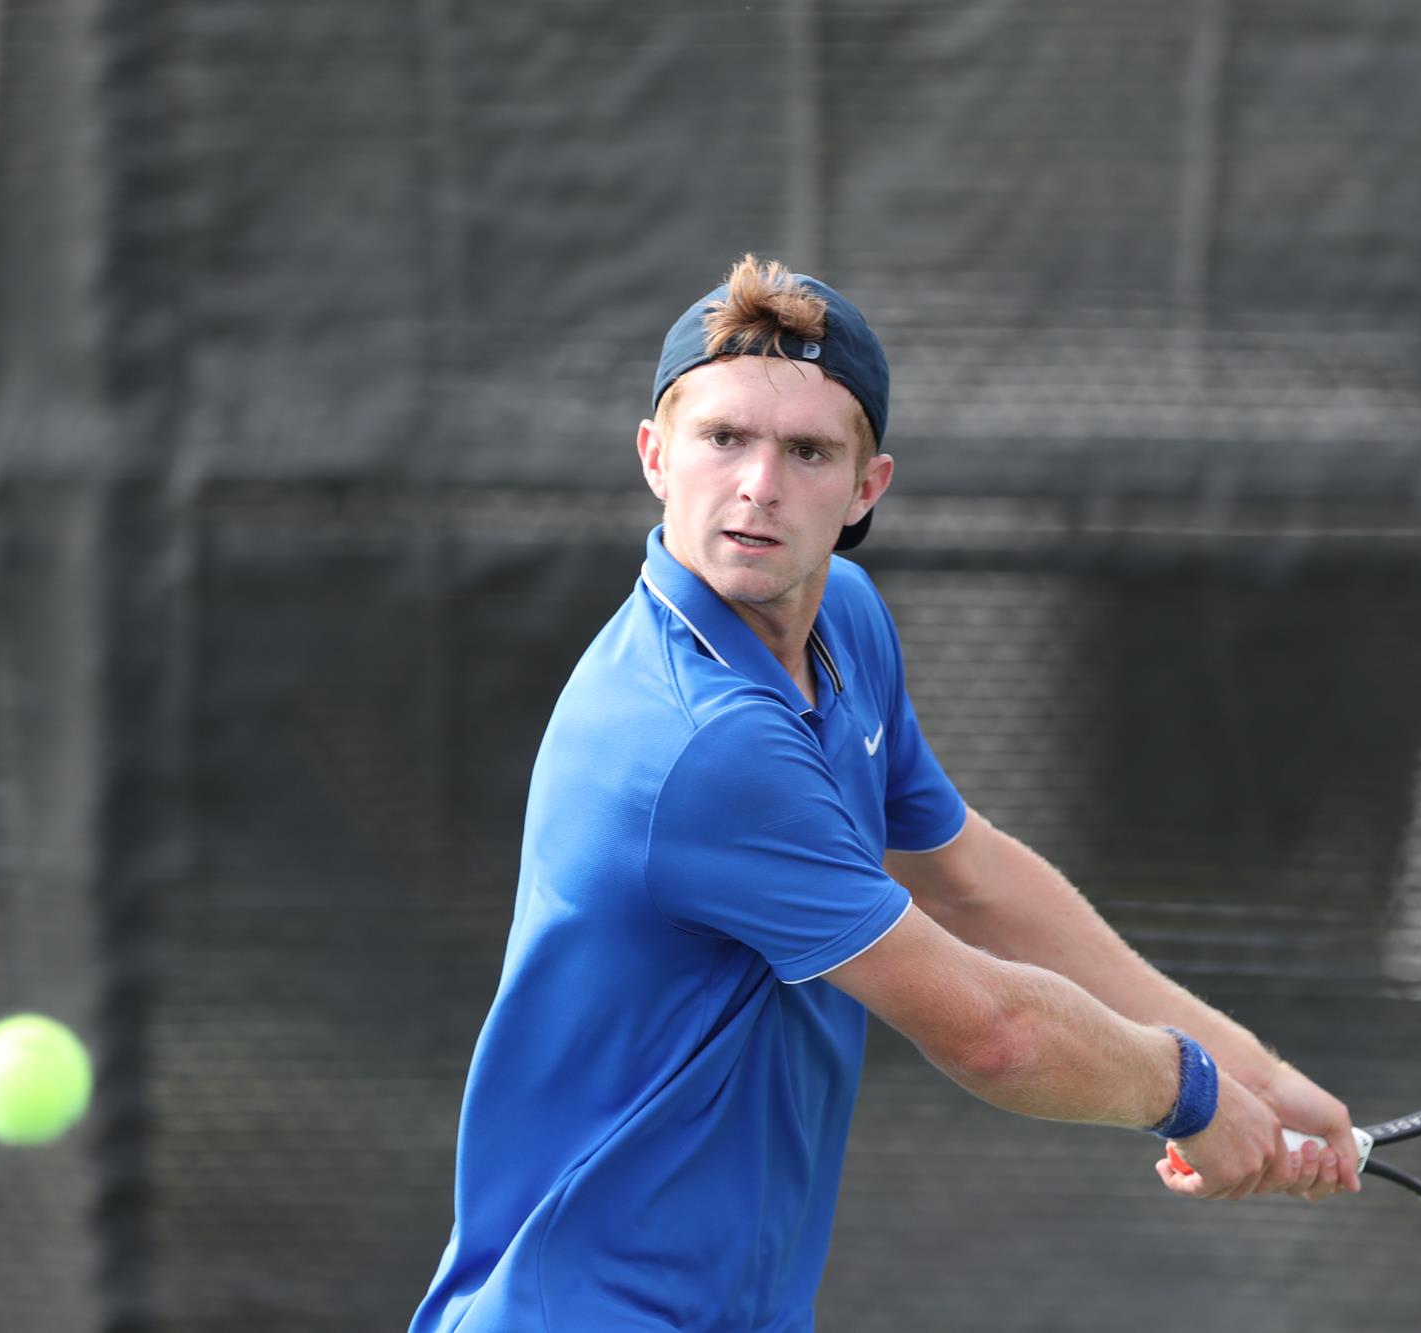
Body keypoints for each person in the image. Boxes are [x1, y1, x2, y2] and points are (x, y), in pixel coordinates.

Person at [411, 256, 1361, 1332]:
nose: (758, 484)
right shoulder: (698, 741)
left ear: (867, 488)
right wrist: (1190, 1093)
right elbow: (993, 1031)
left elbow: (969, 880)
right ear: (655, 456)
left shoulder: (843, 620)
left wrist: (1250, 1071)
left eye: (808, 451)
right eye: (723, 437)